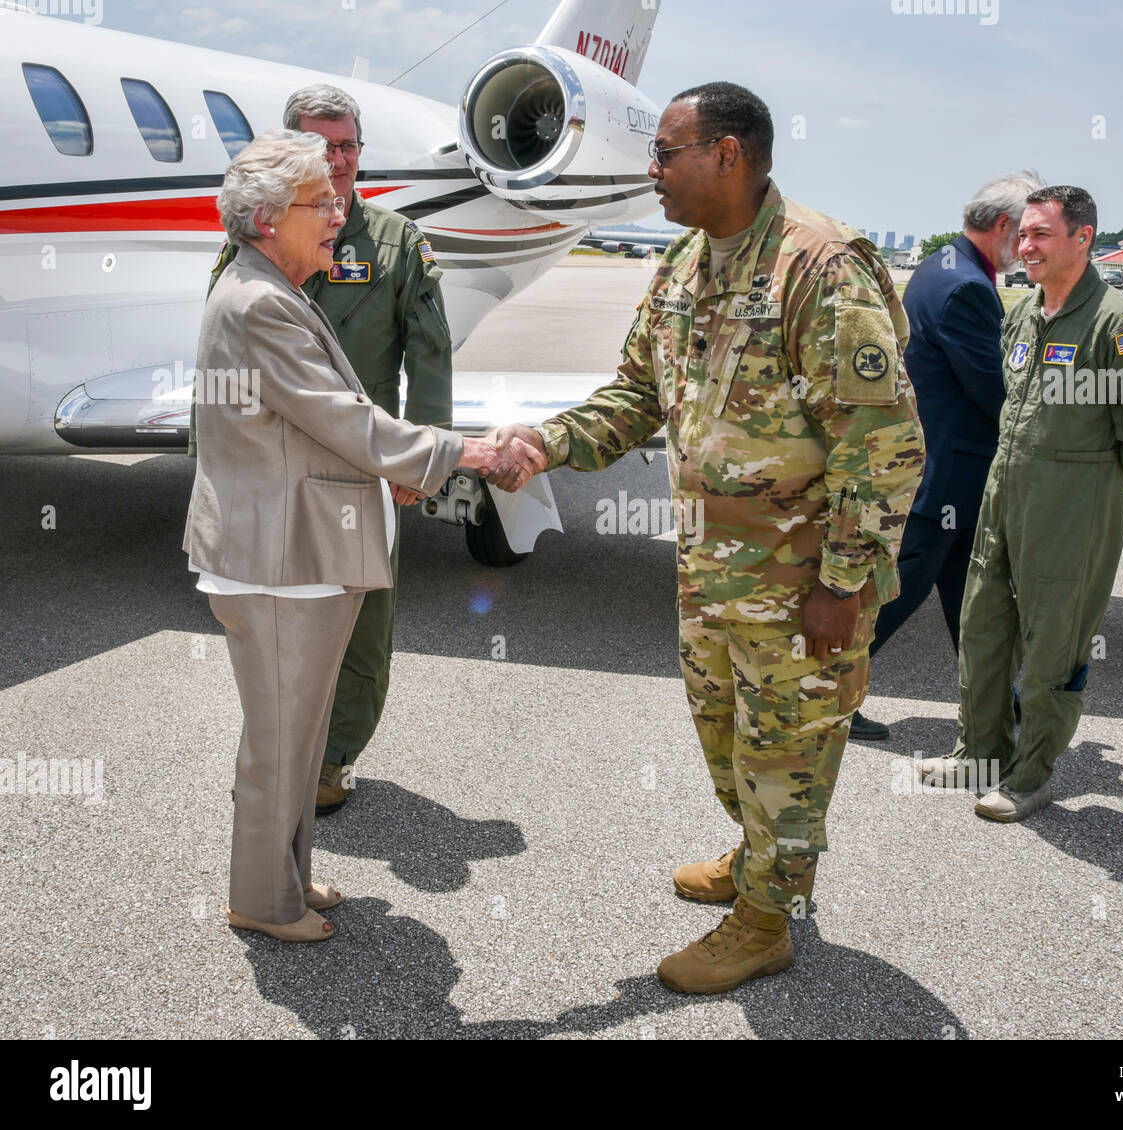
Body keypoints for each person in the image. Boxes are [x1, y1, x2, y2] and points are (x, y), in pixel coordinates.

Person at [495, 83, 923, 992]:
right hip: (710, 574)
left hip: (802, 580)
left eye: (664, 151)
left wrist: (842, 586)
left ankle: (767, 919)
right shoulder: (685, 264)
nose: (650, 169)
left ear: (727, 154)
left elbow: (882, 446)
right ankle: (757, 854)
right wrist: (543, 444)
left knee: (790, 756)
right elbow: (636, 396)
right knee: (734, 745)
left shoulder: (820, 267)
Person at [186, 130, 541, 942]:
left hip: (299, 552)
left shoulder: (274, 286)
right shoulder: (260, 302)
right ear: (270, 218)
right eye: (324, 202)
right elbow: (344, 421)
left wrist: (410, 462)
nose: (340, 213)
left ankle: (289, 878)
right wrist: (465, 451)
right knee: (280, 746)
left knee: (301, 740)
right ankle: (262, 902)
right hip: (279, 559)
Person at [194, 84, 453, 814]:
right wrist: (207, 455)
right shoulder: (261, 244)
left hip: (365, 468)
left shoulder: (398, 243)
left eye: (348, 146)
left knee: (363, 623)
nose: (338, 162)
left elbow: (429, 356)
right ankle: (287, 752)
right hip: (285, 474)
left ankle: (332, 759)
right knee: (287, 625)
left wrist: (423, 465)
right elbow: (222, 362)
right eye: (322, 146)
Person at [917, 186, 1123, 821]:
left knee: (1053, 643)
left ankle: (1031, 773)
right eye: (1023, 234)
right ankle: (979, 752)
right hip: (1003, 494)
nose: (1024, 246)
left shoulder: (1117, 325)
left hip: (1072, 507)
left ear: (1082, 239)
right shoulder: (1022, 314)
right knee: (982, 628)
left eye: (1041, 235)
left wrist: (1092, 487)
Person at [851, 171, 1043, 742]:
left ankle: (996, 705)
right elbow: (992, 390)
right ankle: (826, 694)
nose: (1029, 246)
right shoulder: (968, 289)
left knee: (970, 598)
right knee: (900, 590)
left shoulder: (942, 265)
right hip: (944, 475)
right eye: (1026, 232)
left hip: (943, 469)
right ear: (1003, 225)